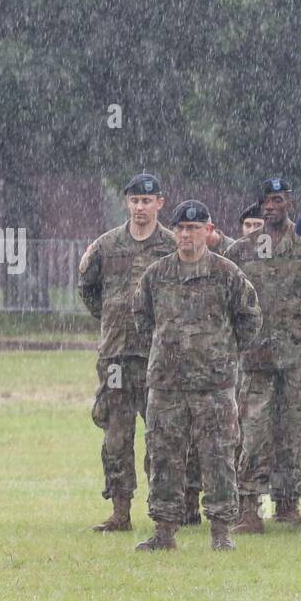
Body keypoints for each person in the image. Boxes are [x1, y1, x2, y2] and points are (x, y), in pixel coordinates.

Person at [133, 200, 261, 551]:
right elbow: (141, 317)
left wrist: (222, 353)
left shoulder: (226, 273)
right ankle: (164, 531)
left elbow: (249, 318)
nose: (187, 234)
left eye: (194, 228)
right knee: (163, 457)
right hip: (167, 386)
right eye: (181, 229)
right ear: (175, 233)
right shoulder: (157, 274)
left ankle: (221, 532)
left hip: (214, 386)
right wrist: (168, 349)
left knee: (219, 457)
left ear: (209, 230)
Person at [226, 177, 301, 535]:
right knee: (253, 432)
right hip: (257, 358)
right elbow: (228, 299)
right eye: (266, 201)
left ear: (290, 204)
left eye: (278, 200)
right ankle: (249, 509)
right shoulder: (242, 250)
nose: (271, 207)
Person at [77, 172, 176, 532]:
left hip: (157, 357)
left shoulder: (172, 246)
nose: (140, 208)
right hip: (116, 357)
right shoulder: (106, 246)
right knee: (116, 436)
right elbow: (88, 289)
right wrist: (111, 318)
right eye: (134, 201)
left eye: (147, 201)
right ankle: (120, 511)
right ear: (127, 203)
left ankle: (166, 509)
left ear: (160, 203)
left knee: (163, 436)